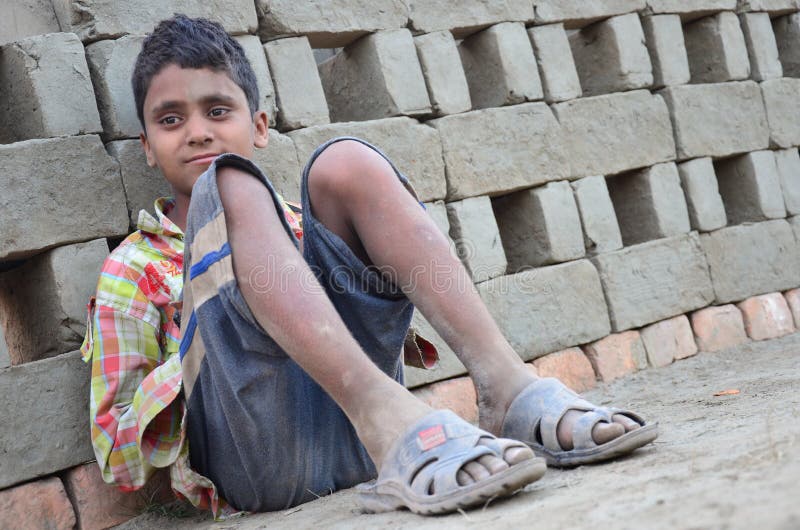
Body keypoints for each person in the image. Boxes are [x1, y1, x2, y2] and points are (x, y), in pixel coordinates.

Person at [83, 14, 658, 518]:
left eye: (217, 110)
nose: (199, 131)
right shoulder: (131, 269)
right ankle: (387, 417)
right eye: (171, 120)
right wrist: (209, 323)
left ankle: (507, 387)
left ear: (259, 126)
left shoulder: (301, 231)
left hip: (364, 444)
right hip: (262, 462)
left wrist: (302, 291)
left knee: (346, 162)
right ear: (147, 146)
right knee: (226, 184)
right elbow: (118, 455)